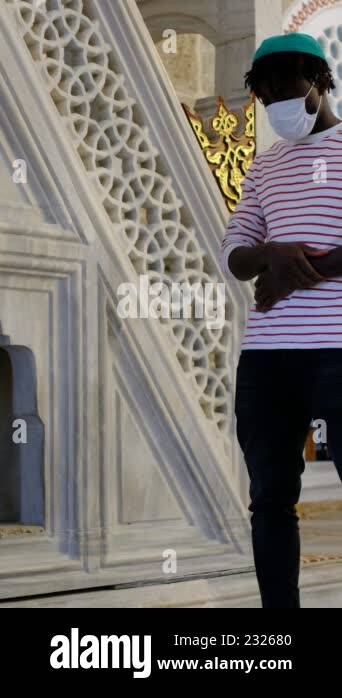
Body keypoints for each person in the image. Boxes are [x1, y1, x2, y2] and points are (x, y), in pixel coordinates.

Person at [219, 32, 342, 608]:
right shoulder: (264, 167)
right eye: (265, 99)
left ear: (317, 82)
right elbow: (234, 251)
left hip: (337, 350)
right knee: (269, 497)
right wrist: (271, 255)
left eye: (285, 92)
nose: (276, 108)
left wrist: (295, 266)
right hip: (269, 356)